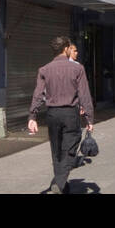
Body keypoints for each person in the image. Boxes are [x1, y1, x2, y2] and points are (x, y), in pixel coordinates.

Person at [28, 36, 95, 194]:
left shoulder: (44, 69)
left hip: (52, 114)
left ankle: (62, 185)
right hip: (70, 113)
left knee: (56, 149)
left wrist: (32, 116)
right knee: (70, 148)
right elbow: (84, 94)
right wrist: (90, 118)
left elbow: (38, 94)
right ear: (66, 49)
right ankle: (59, 182)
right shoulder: (78, 69)